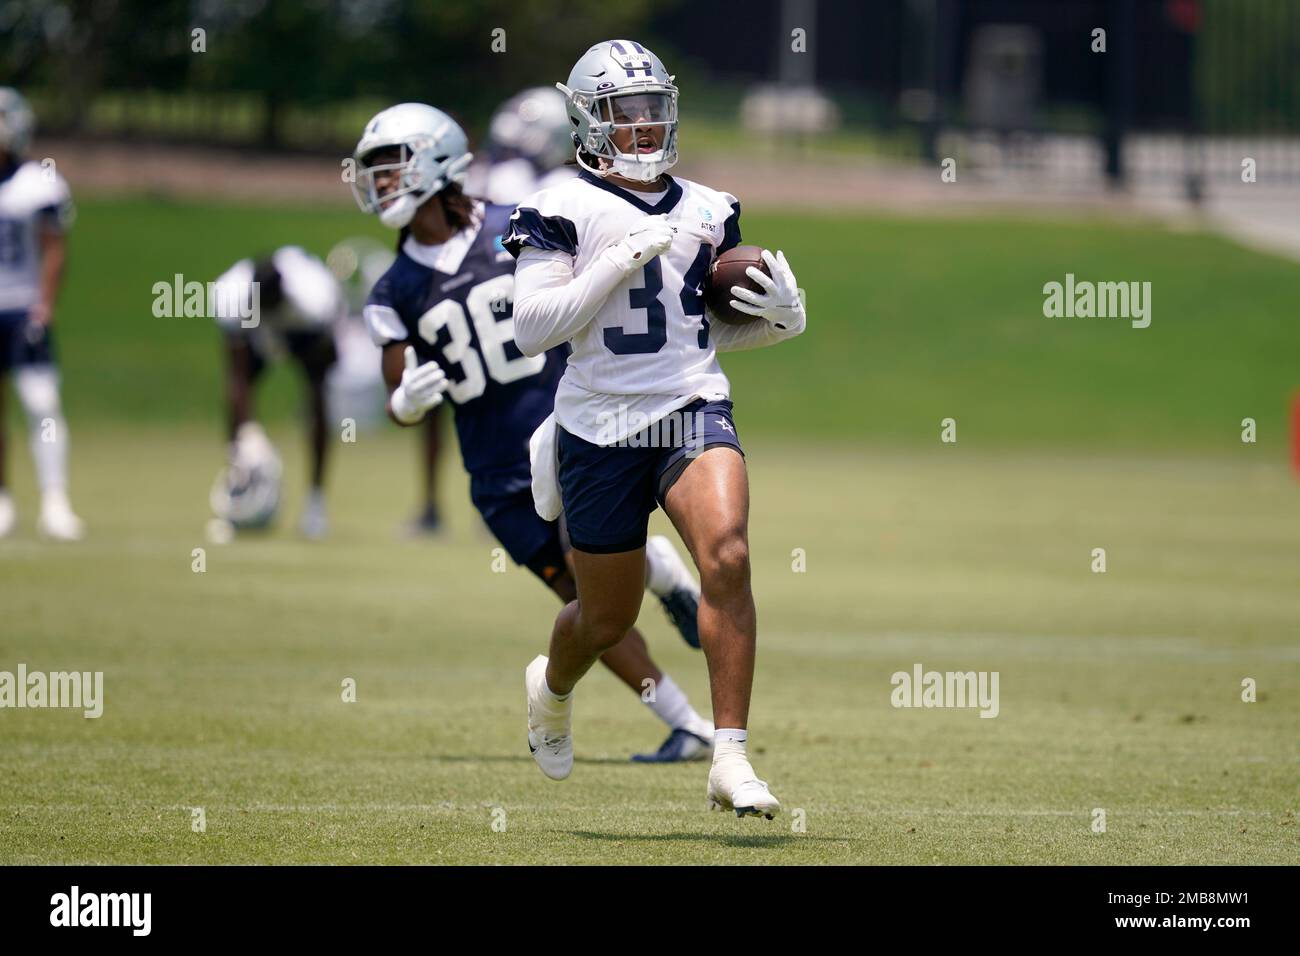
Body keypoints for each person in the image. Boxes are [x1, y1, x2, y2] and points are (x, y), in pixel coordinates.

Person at [351, 102, 713, 762]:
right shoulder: (392, 290)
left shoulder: (514, 225)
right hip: (495, 475)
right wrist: (403, 400)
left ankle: (662, 597)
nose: (380, 186)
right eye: (373, 175)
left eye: (389, 169)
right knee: (582, 605)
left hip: (563, 432)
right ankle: (686, 717)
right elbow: (400, 401)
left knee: (594, 583)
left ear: (435, 161)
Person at [509, 41, 807, 817]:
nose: (642, 127)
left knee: (729, 554)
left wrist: (781, 321)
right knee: (606, 618)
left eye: (651, 111)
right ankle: (552, 685)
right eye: (623, 113)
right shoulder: (558, 202)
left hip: (689, 406)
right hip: (598, 423)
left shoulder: (711, 206)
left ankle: (730, 757)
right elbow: (532, 329)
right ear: (588, 120)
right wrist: (609, 264)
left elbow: (698, 331)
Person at [211, 246, 345, 538]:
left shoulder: (314, 301)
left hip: (304, 332)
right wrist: (249, 432)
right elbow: (238, 377)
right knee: (236, 403)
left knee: (317, 398)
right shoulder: (230, 295)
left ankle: (315, 503)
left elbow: (320, 378)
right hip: (255, 328)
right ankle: (239, 480)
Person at [0, 87, 83, 541]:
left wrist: (45, 306)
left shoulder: (38, 182)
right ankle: (2, 502)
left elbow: (54, 249)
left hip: (23, 309)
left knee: (42, 403)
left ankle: (55, 501)